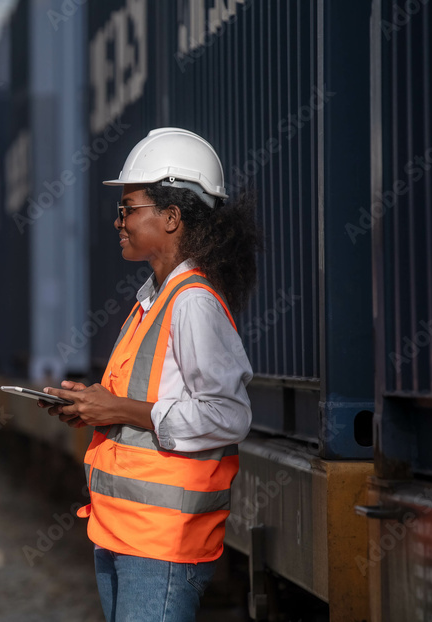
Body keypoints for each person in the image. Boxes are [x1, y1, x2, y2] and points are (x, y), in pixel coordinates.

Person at [40, 128, 261, 621]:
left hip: (163, 543)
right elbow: (146, 404)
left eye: (128, 208)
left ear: (172, 216)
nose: (117, 221)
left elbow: (228, 415)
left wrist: (117, 408)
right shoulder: (151, 301)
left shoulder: (193, 303)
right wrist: (92, 406)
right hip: (123, 531)